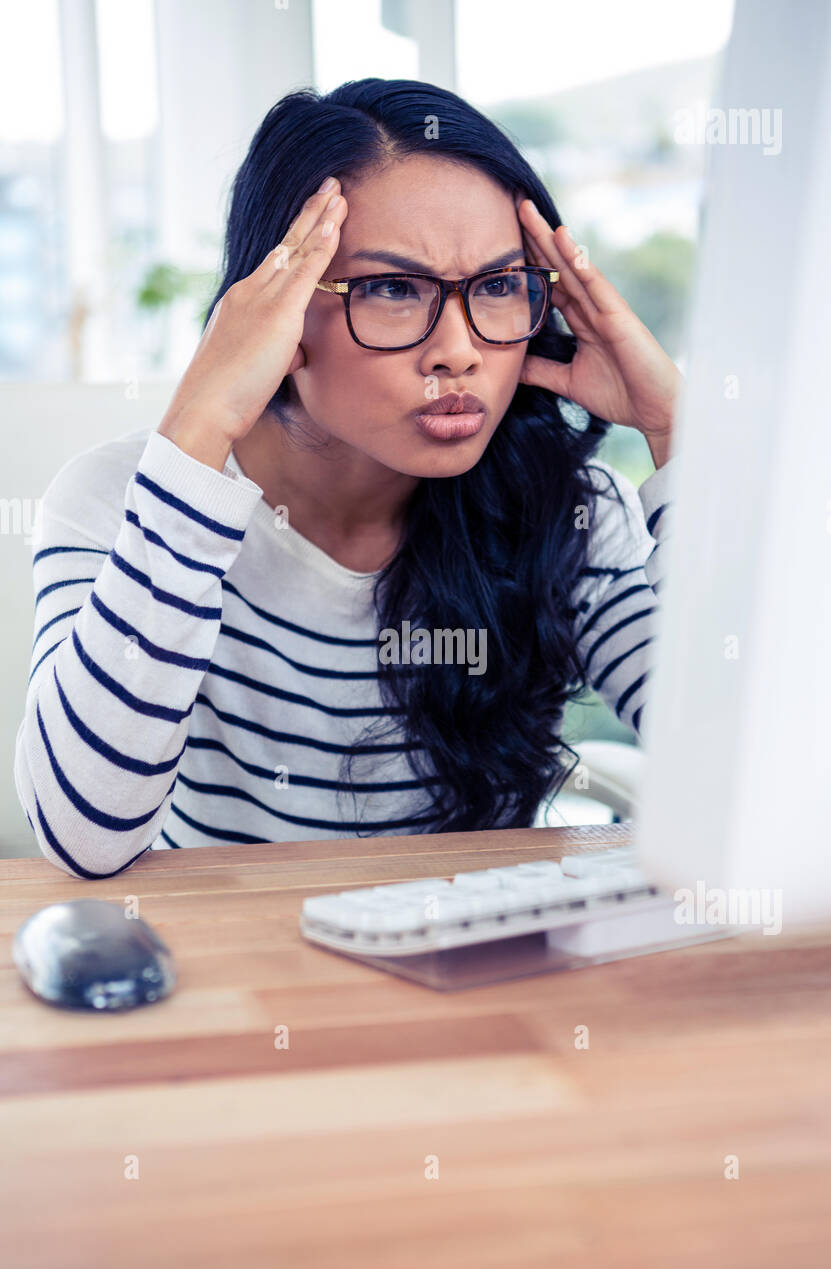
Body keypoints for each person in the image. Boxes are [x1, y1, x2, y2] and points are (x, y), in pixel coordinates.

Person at [14, 78, 680, 879]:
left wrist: (680, 434)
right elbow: (82, 835)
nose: (460, 351)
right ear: (275, 304)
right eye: (394, 289)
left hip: (489, 981)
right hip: (233, 978)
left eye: (499, 286)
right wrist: (197, 430)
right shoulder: (123, 501)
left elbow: (759, 762)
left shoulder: (567, 510)